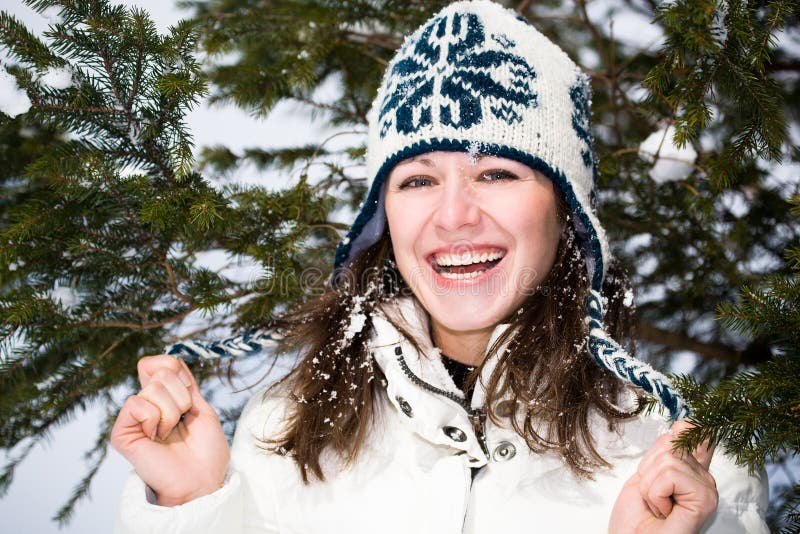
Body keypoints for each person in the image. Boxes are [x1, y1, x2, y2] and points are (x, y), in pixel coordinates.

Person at [111, 1, 768, 532]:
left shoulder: (680, 454)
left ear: (567, 212)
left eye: (496, 172)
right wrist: (190, 508)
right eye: (418, 180)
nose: (453, 216)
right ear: (382, 219)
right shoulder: (285, 425)